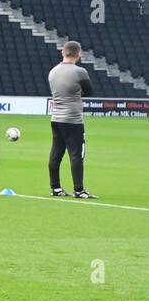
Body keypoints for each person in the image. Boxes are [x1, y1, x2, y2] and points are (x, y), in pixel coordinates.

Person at [48, 40, 96, 199]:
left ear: (63, 52)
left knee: (56, 152)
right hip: (73, 120)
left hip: (56, 118)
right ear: (79, 54)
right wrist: (76, 94)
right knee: (77, 155)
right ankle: (79, 190)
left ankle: (55, 187)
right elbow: (89, 92)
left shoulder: (53, 71)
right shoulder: (80, 72)